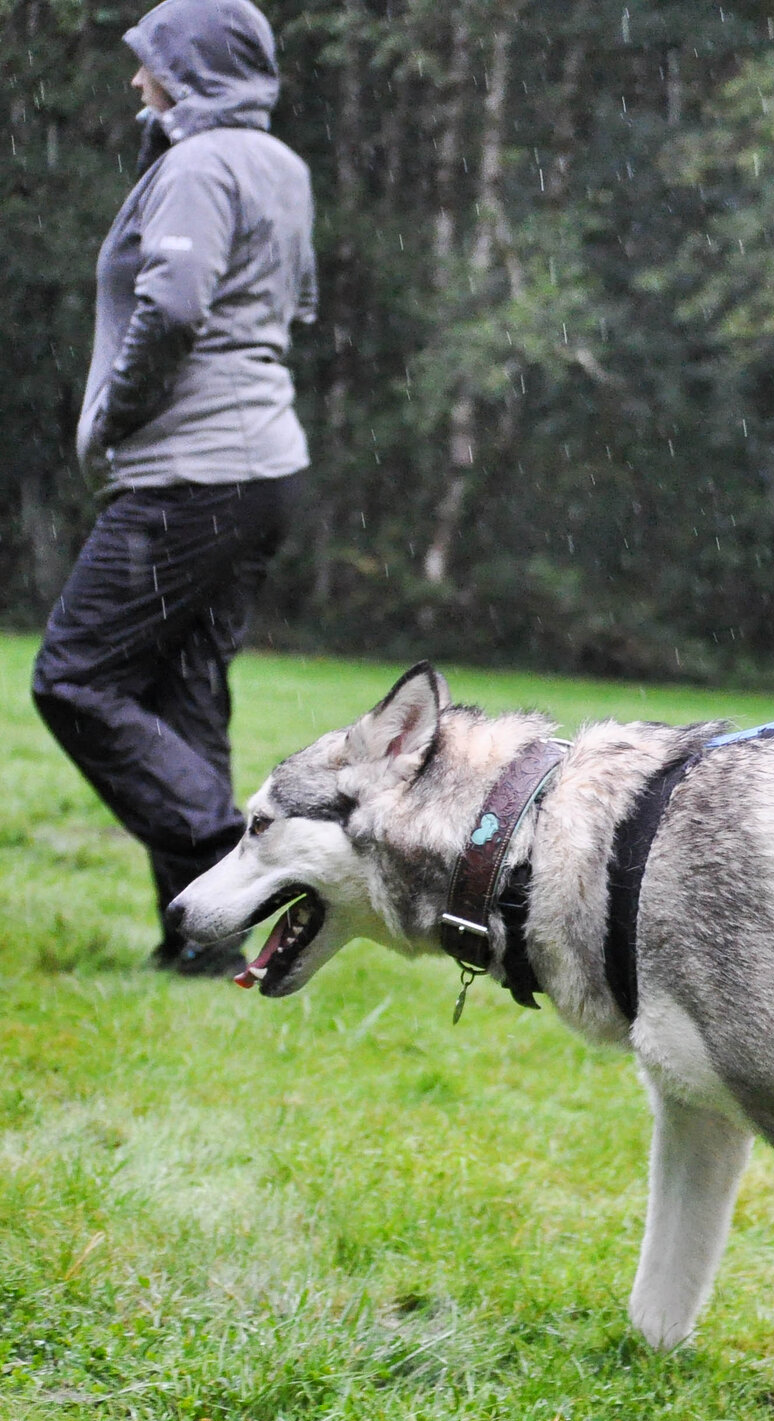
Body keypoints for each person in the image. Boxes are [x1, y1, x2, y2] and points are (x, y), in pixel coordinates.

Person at [32, 0, 314, 978]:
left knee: (72, 677)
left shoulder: (198, 165)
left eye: (149, 62)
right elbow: (292, 304)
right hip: (263, 466)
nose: (135, 79)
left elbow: (178, 305)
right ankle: (199, 944)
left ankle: (229, 858)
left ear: (189, 70)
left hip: (191, 473)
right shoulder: (279, 165)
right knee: (184, 696)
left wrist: (111, 411)